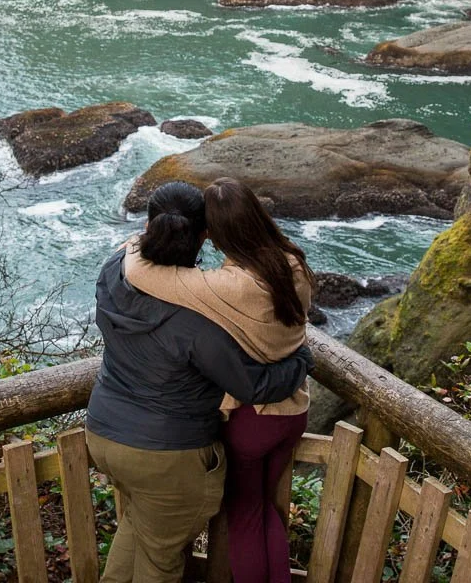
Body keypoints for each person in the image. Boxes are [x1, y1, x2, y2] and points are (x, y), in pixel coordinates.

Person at [85, 181, 312, 583]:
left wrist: (136, 243)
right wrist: (300, 363)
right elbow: (251, 386)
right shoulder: (199, 320)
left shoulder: (113, 270)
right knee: (161, 560)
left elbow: (136, 263)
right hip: (166, 454)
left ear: (152, 225)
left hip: (104, 431)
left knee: (140, 527)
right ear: (204, 235)